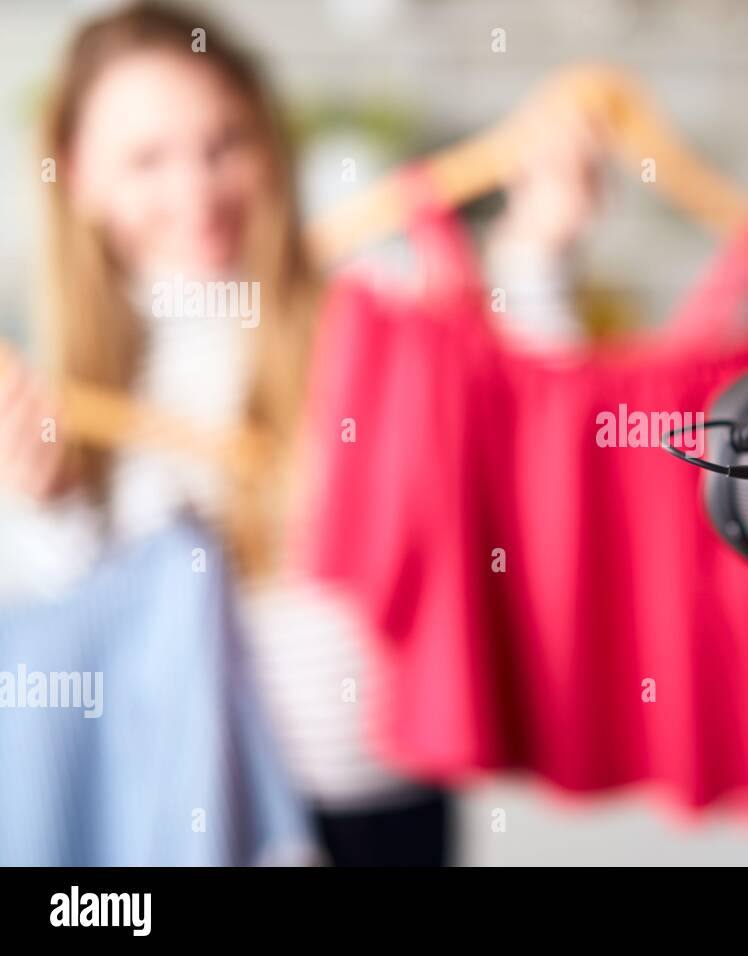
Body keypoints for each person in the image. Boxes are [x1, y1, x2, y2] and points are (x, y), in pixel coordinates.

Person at [0, 1, 593, 865]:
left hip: (382, 797)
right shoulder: (57, 381)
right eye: (146, 160)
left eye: (223, 144)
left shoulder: (363, 308)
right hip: (195, 811)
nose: (196, 192)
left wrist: (536, 262)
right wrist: (47, 508)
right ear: (75, 172)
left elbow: (520, 442)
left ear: (269, 142)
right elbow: (63, 641)